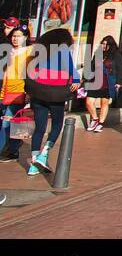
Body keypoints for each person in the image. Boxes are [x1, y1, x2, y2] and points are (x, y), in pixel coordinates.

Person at [25, 27, 81, 175]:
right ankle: (44, 155)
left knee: (39, 128)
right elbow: (70, 67)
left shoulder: (39, 49)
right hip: (55, 93)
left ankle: (34, 163)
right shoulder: (62, 49)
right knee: (57, 124)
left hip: (38, 92)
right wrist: (76, 79)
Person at [1, 24, 33, 162]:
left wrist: (29, 92)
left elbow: (32, 74)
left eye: (18, 36)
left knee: (7, 124)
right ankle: (12, 148)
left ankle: (12, 151)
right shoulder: (7, 51)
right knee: (7, 124)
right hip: (4, 92)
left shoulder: (30, 52)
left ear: (25, 38)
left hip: (18, 93)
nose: (15, 39)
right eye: (14, 36)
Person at [84, 35, 122, 132]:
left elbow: (120, 69)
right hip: (95, 81)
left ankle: (100, 123)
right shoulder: (98, 53)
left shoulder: (116, 55)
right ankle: (95, 119)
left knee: (104, 103)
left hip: (108, 82)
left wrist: (118, 82)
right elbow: (91, 66)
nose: (104, 46)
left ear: (111, 45)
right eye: (103, 43)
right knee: (89, 102)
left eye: (106, 44)